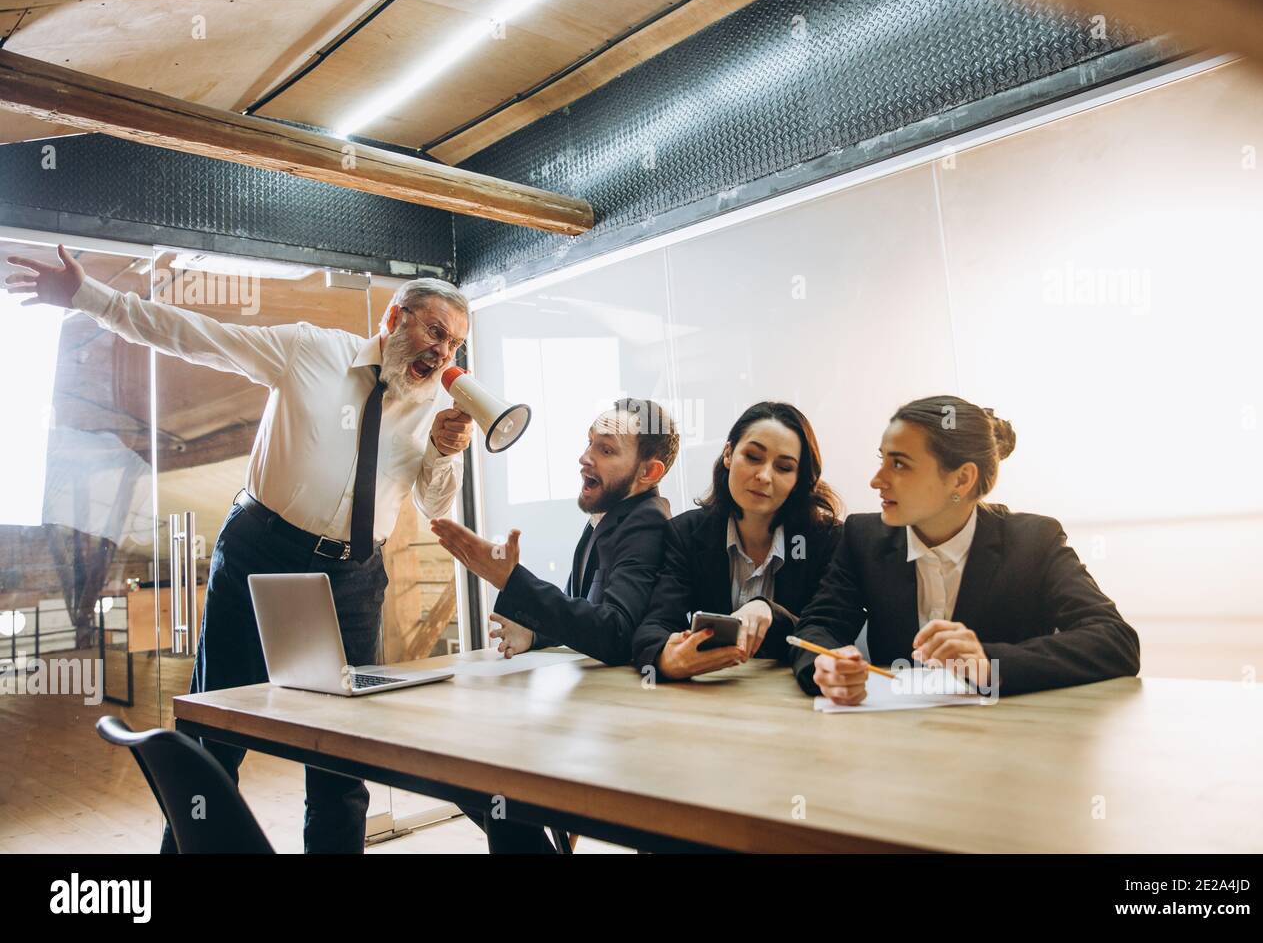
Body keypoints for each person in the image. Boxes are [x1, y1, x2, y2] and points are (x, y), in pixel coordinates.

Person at [5, 246, 473, 853]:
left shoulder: (439, 407)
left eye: (455, 345)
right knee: (214, 734)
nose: (442, 353)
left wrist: (443, 451)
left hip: (354, 580)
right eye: (435, 331)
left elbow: (436, 505)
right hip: (262, 553)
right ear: (394, 319)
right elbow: (196, 335)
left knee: (341, 755)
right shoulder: (312, 350)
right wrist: (89, 296)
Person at [431, 396, 678, 852]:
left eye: (606, 450)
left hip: (632, 726)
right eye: (589, 444)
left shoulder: (645, 524)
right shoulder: (605, 519)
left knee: (489, 774)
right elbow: (585, 607)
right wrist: (535, 632)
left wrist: (513, 582)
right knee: (465, 766)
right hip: (594, 705)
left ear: (648, 473)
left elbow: (615, 632)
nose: (585, 457)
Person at [791, 395, 1140, 705]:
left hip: (1008, 746)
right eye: (882, 459)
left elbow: (1115, 641)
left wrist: (988, 664)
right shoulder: (863, 536)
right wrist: (825, 664)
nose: (876, 479)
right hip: (896, 743)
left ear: (961, 479)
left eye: (899, 464)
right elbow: (819, 625)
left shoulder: (1034, 541)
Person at [632, 401, 842, 681]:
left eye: (783, 467)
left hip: (795, 697)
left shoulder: (826, 539)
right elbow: (656, 624)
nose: (764, 476)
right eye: (753, 456)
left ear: (799, 479)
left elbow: (827, 631)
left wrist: (767, 610)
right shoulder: (686, 533)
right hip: (712, 695)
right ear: (729, 454)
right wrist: (666, 658)